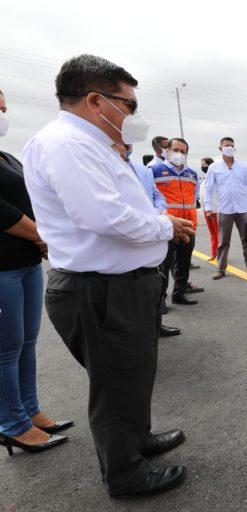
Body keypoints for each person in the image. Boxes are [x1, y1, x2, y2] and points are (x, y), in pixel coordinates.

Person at [23, 54, 192, 497]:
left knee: (132, 375)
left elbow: (127, 205)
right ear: (97, 101)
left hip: (121, 283)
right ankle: (125, 475)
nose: (133, 114)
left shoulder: (94, 146)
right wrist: (165, 226)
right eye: (129, 104)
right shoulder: (66, 144)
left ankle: (137, 440)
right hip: (99, 288)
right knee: (116, 385)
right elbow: (105, 217)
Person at [0, 89, 71, 456]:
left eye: (5, 108)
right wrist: (43, 236)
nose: (3, 114)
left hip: (26, 261)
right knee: (5, 350)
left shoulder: (8, 157)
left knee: (26, 344)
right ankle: (12, 425)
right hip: (3, 268)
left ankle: (30, 412)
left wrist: (42, 239)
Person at [116, 143, 181, 338]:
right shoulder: (106, 167)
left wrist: (159, 211)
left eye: (129, 141)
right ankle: (135, 330)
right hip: (128, 235)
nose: (126, 145)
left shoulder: (141, 170)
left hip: (155, 230)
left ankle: (156, 322)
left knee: (157, 280)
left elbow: (156, 194)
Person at [151, 138, 200, 307]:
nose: (179, 154)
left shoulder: (192, 174)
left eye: (183, 151)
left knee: (183, 264)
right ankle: (160, 302)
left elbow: (194, 199)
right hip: (167, 226)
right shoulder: (154, 171)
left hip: (187, 226)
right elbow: (150, 198)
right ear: (168, 151)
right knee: (163, 268)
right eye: (176, 150)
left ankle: (179, 294)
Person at [203, 137, 247, 279]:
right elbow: (208, 188)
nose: (230, 147)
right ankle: (220, 268)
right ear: (220, 148)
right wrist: (208, 207)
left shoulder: (243, 166)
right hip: (224, 209)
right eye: (227, 145)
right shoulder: (214, 167)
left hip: (243, 208)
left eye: (232, 145)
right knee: (223, 242)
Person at [199, 157, 218, 261]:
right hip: (206, 209)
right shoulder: (205, 178)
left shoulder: (215, 177)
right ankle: (214, 253)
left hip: (215, 209)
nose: (202, 167)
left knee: (218, 233)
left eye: (204, 165)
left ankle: (219, 254)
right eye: (201, 165)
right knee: (212, 232)